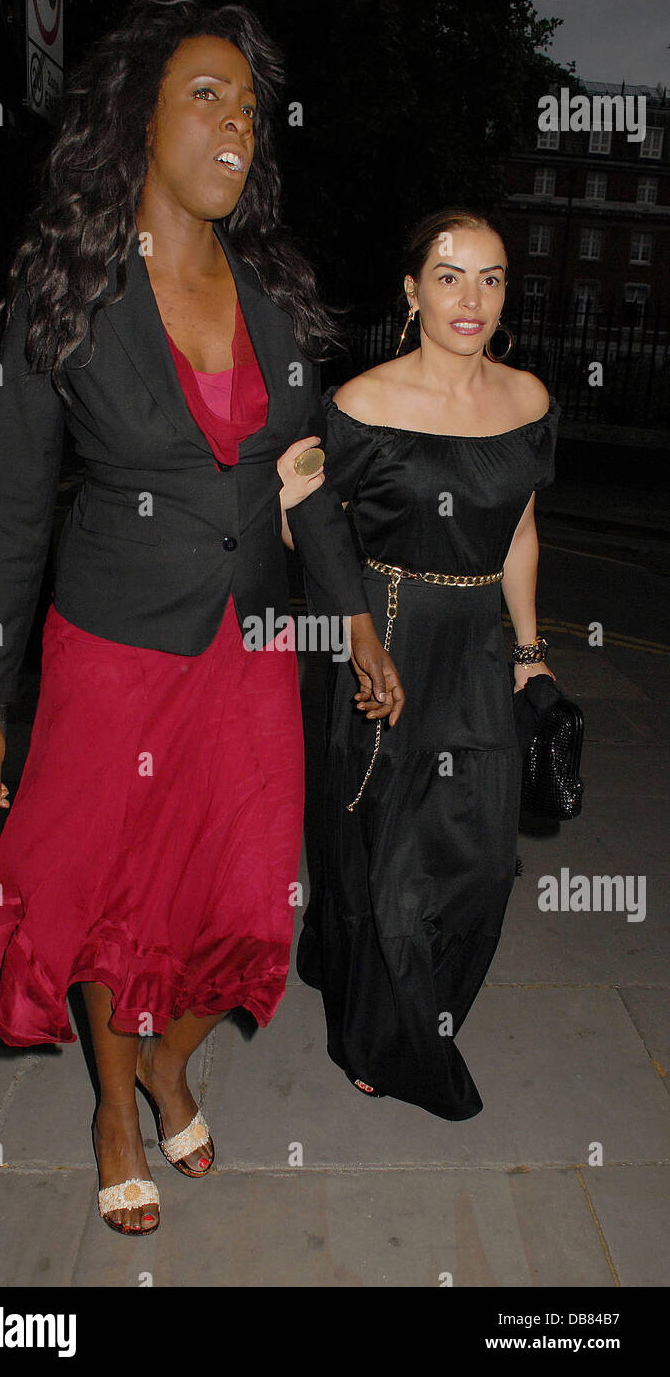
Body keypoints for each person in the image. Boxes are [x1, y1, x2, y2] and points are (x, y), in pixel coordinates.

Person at [0, 0, 403, 1236]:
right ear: (138, 120)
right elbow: (7, 505)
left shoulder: (273, 292)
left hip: (252, 646)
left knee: (251, 900)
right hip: (113, 649)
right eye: (207, 95)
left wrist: (353, 616)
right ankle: (114, 1105)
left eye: (250, 108)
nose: (237, 125)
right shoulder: (71, 289)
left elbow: (302, 477)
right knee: (110, 902)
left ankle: (167, 1057)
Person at [297, 209, 560, 1120]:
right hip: (389, 640)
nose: (471, 298)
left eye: (489, 278)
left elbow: (521, 529)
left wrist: (529, 657)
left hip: (479, 649)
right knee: (391, 865)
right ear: (411, 292)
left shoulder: (526, 401)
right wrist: (355, 633)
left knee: (483, 864)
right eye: (449, 276)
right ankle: (384, 1039)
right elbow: (309, 520)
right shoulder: (360, 404)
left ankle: (410, 1003)